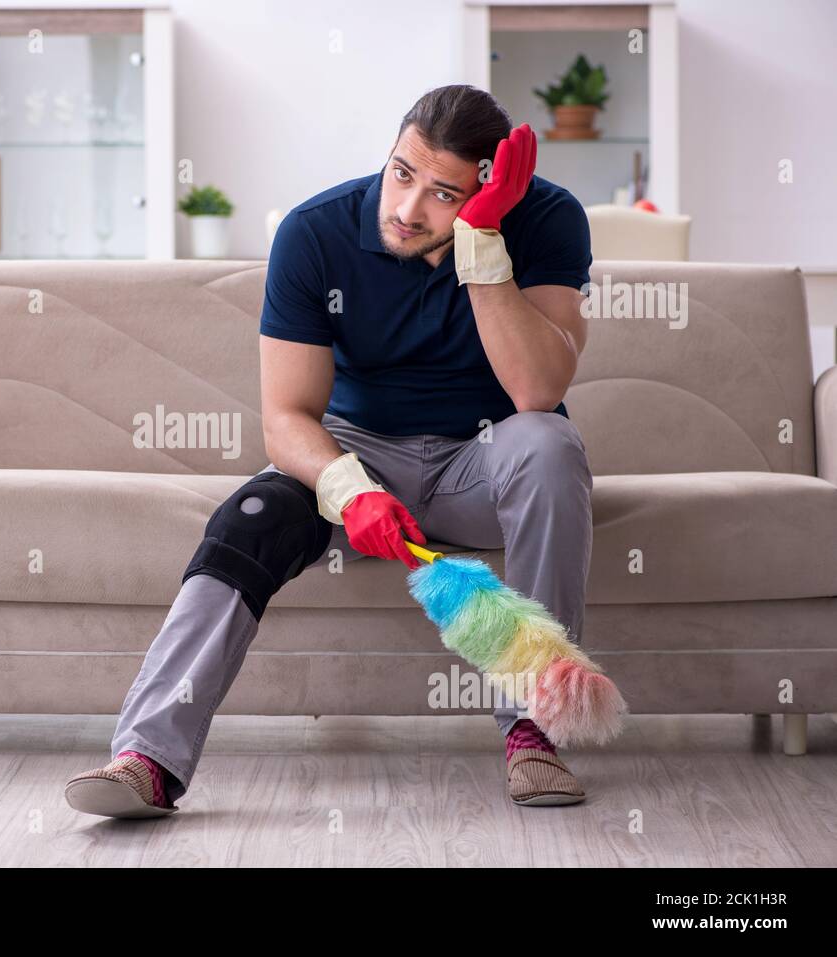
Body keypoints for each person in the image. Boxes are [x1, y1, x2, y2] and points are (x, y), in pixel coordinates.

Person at [65, 84, 594, 818]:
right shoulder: (315, 232)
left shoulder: (547, 219)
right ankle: (146, 758)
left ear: (486, 191)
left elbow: (536, 388)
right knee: (249, 513)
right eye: (402, 172)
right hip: (357, 452)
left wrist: (480, 240)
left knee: (551, 443)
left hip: (487, 462)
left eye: (443, 193)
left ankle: (535, 734)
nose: (407, 210)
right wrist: (352, 490)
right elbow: (287, 417)